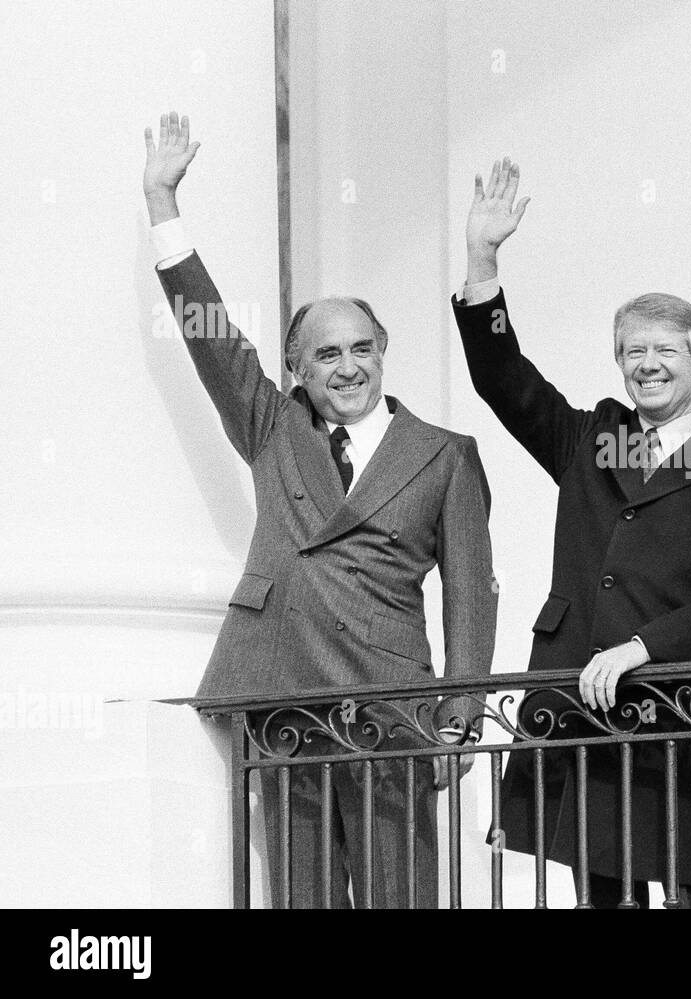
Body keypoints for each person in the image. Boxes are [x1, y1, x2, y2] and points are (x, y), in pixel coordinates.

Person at [142, 112, 497, 908]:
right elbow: (212, 337)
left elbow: (474, 591)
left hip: (394, 706)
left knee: (398, 894)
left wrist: (463, 709)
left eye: (361, 348)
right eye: (327, 354)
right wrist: (164, 204)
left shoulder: (445, 453)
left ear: (384, 349)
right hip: (288, 697)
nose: (348, 367)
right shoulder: (274, 426)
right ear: (297, 370)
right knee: (301, 898)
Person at [451, 159, 691, 908]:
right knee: (608, 900)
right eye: (634, 350)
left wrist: (643, 649)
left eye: (666, 348)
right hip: (587, 712)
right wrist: (483, 263)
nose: (648, 363)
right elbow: (504, 378)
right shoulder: (595, 441)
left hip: (684, 710)